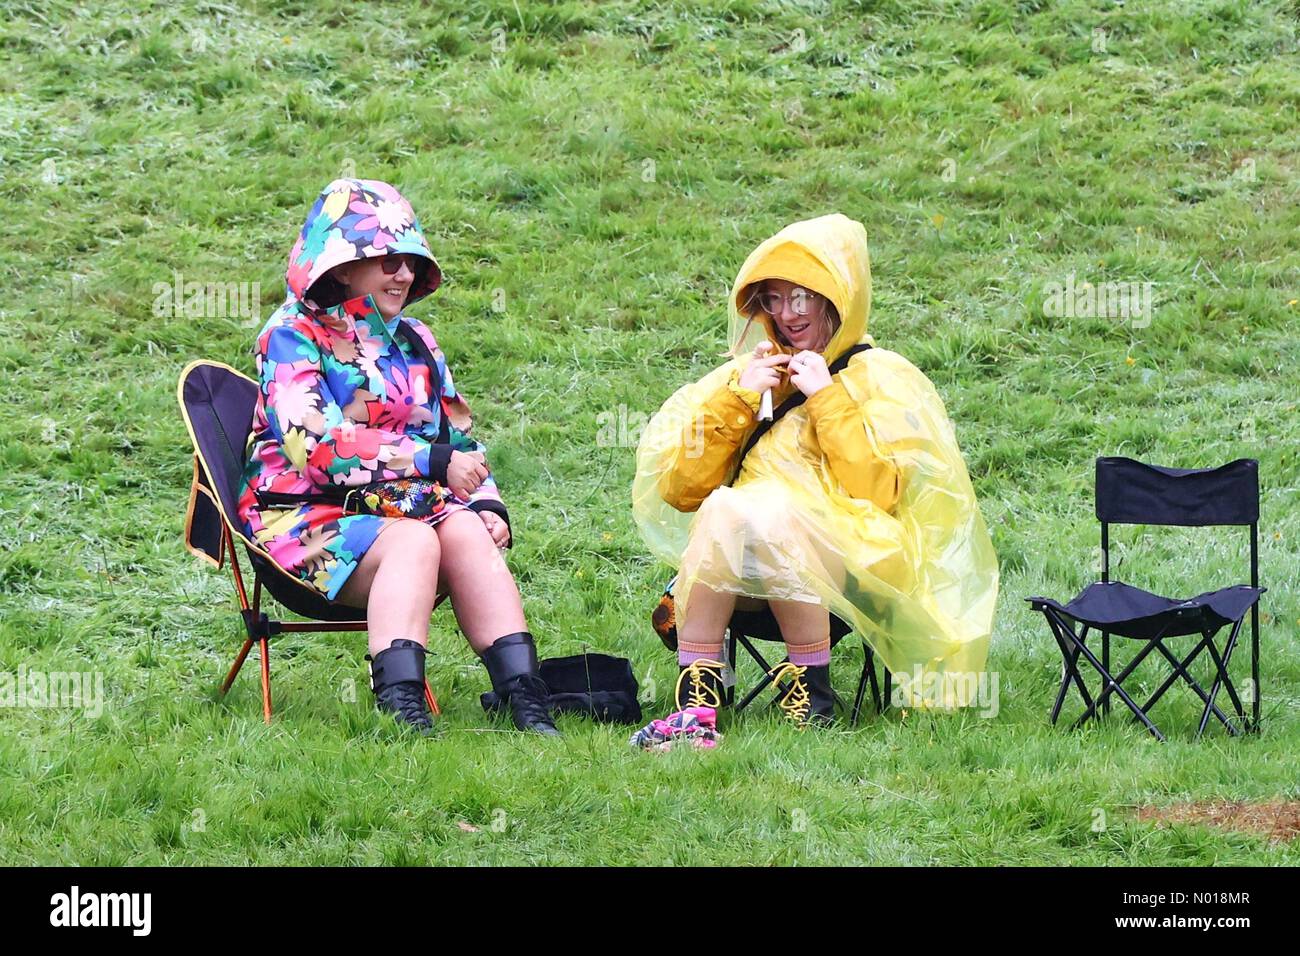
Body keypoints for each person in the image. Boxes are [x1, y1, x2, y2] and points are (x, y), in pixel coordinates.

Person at [632, 213, 998, 725]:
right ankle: (698, 708)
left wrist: (826, 399)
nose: (788, 313)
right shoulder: (749, 376)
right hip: (741, 561)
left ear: (837, 298)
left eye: (802, 296)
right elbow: (681, 490)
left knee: (774, 510)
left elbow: (880, 493)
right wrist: (738, 400)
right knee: (726, 506)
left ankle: (805, 692)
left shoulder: (881, 377)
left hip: (851, 564)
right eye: (775, 299)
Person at [237, 178, 558, 735]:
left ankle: (524, 697)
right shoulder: (289, 336)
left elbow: (457, 441)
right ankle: (402, 710)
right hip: (301, 521)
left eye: (410, 261)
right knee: (415, 539)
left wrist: (486, 503)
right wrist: (429, 463)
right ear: (339, 268)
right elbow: (313, 447)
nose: (403, 274)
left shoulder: (417, 340)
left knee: (462, 530)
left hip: (400, 506)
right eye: (387, 260)